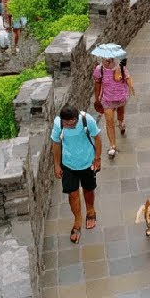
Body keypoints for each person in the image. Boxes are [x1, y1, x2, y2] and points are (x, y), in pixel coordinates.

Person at [51, 105, 102, 244]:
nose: (69, 125)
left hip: (87, 162)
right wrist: (56, 164)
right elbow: (56, 143)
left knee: (88, 189)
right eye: (66, 123)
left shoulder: (87, 120)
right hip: (68, 164)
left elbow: (97, 138)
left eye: (72, 122)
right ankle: (77, 220)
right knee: (72, 194)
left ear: (77, 118)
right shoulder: (58, 124)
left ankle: (90, 211)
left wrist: (97, 159)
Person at [93, 56, 134, 159]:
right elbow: (97, 85)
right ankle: (112, 146)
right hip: (107, 100)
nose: (107, 61)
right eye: (105, 58)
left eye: (110, 59)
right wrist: (97, 99)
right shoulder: (100, 70)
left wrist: (131, 87)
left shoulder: (121, 68)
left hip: (121, 98)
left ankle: (121, 122)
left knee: (120, 110)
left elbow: (128, 78)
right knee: (109, 122)